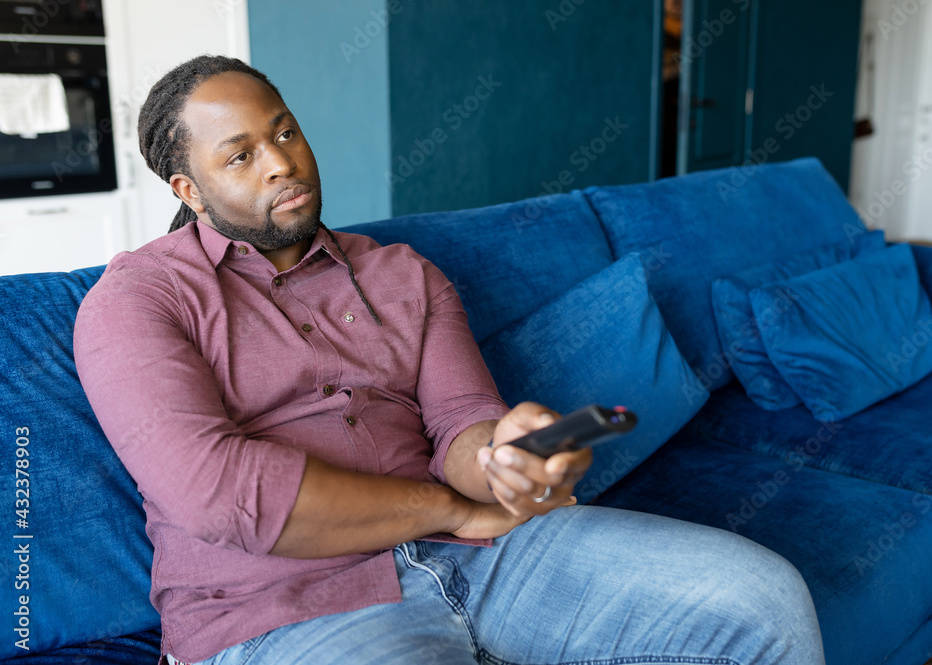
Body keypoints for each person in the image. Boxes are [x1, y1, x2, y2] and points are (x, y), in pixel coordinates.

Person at [74, 55, 825, 665]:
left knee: (765, 603)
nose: (280, 163)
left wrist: (503, 454)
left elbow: (462, 425)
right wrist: (453, 508)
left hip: (483, 555)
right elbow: (228, 496)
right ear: (190, 191)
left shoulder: (403, 273)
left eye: (285, 132)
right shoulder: (136, 300)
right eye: (240, 156)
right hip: (279, 607)